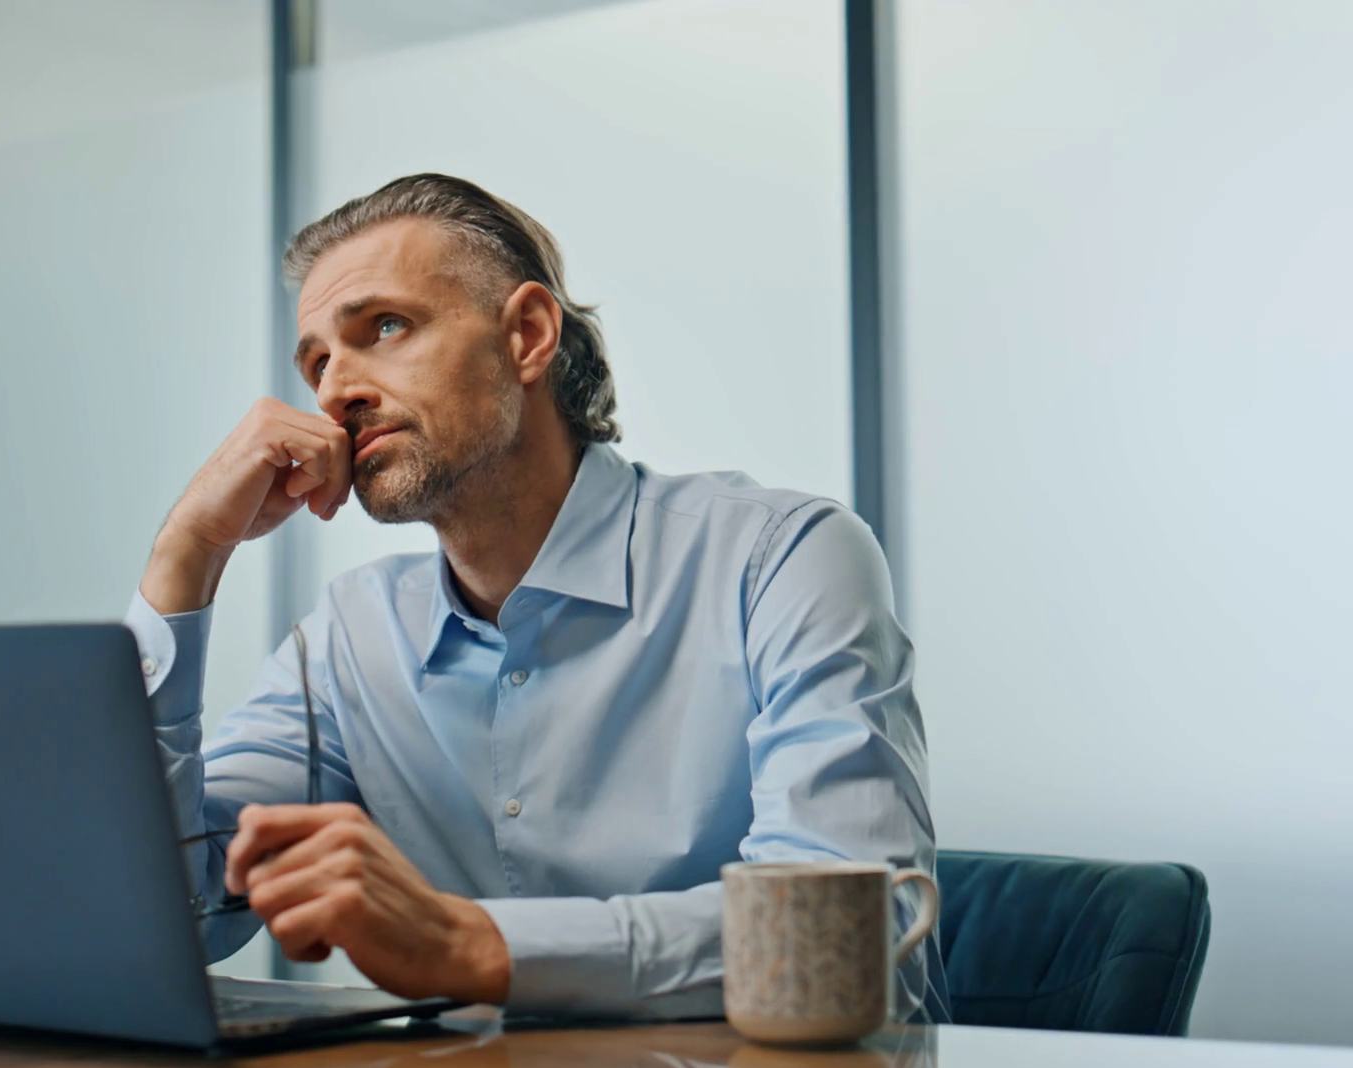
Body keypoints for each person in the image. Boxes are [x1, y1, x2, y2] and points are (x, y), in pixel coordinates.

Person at [126, 173, 945, 1019]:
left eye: (386, 327)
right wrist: (187, 556)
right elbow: (173, 911)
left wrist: (468, 946)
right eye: (318, 362)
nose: (336, 390)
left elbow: (848, 937)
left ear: (527, 335)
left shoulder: (782, 560)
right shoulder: (349, 639)